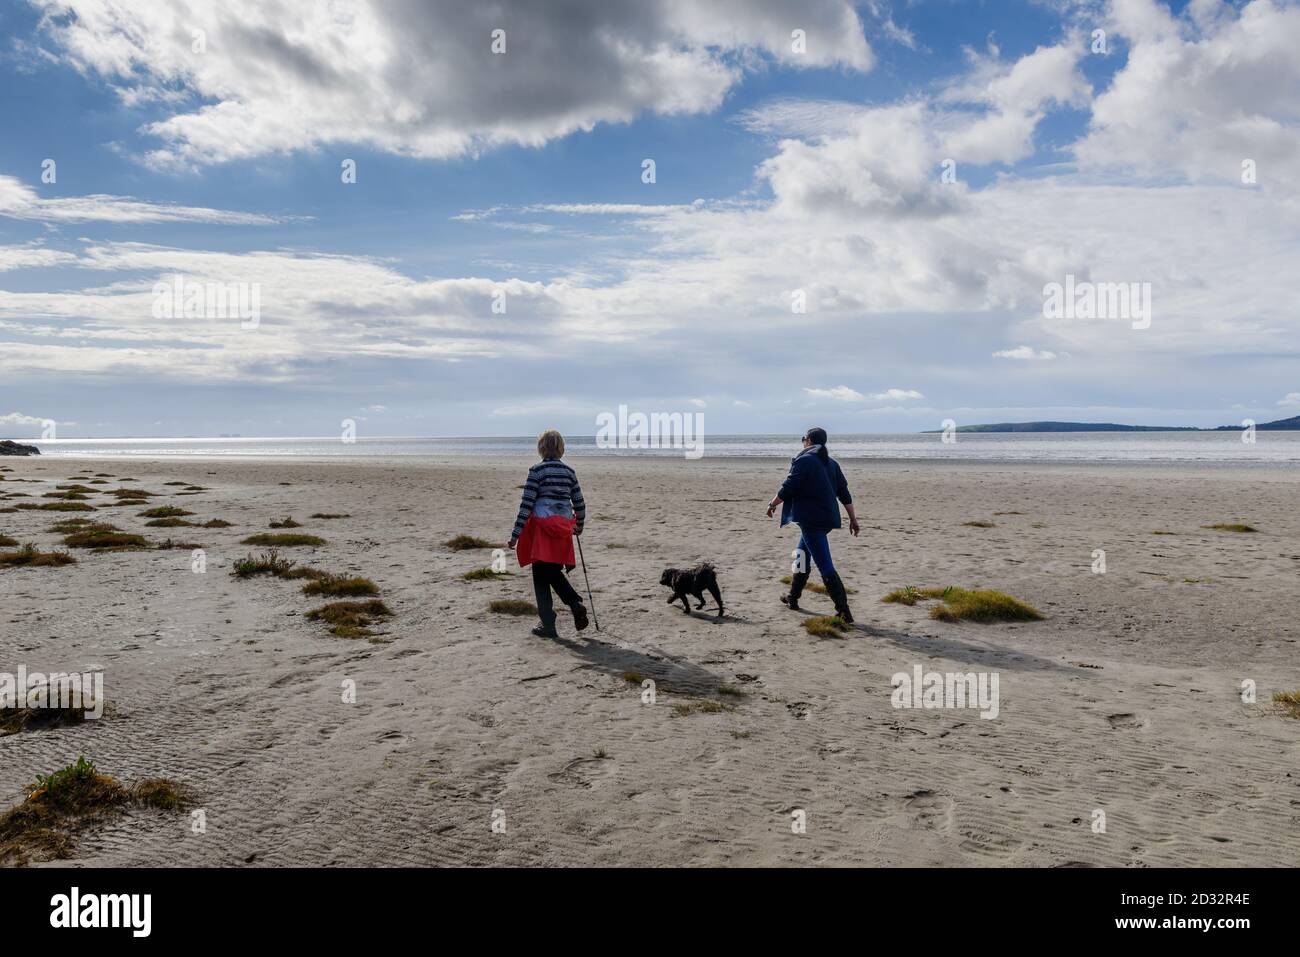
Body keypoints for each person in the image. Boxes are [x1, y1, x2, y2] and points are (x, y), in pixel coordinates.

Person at [766, 427, 859, 622]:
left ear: (808, 440)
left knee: (825, 565)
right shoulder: (832, 463)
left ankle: (844, 612)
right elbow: (844, 494)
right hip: (826, 519)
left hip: (811, 521)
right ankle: (793, 598)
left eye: (803, 439)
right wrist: (852, 518)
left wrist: (772, 504)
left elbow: (789, 486)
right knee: (801, 555)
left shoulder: (805, 460)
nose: (802, 442)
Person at [508, 430, 589, 639]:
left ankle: (551, 620)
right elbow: (579, 503)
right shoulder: (569, 472)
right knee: (552, 570)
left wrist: (516, 533)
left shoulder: (537, 471)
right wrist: (579, 524)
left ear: (541, 448)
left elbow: (526, 504)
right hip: (562, 527)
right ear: (561, 449)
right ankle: (570, 606)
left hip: (542, 529)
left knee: (541, 575)